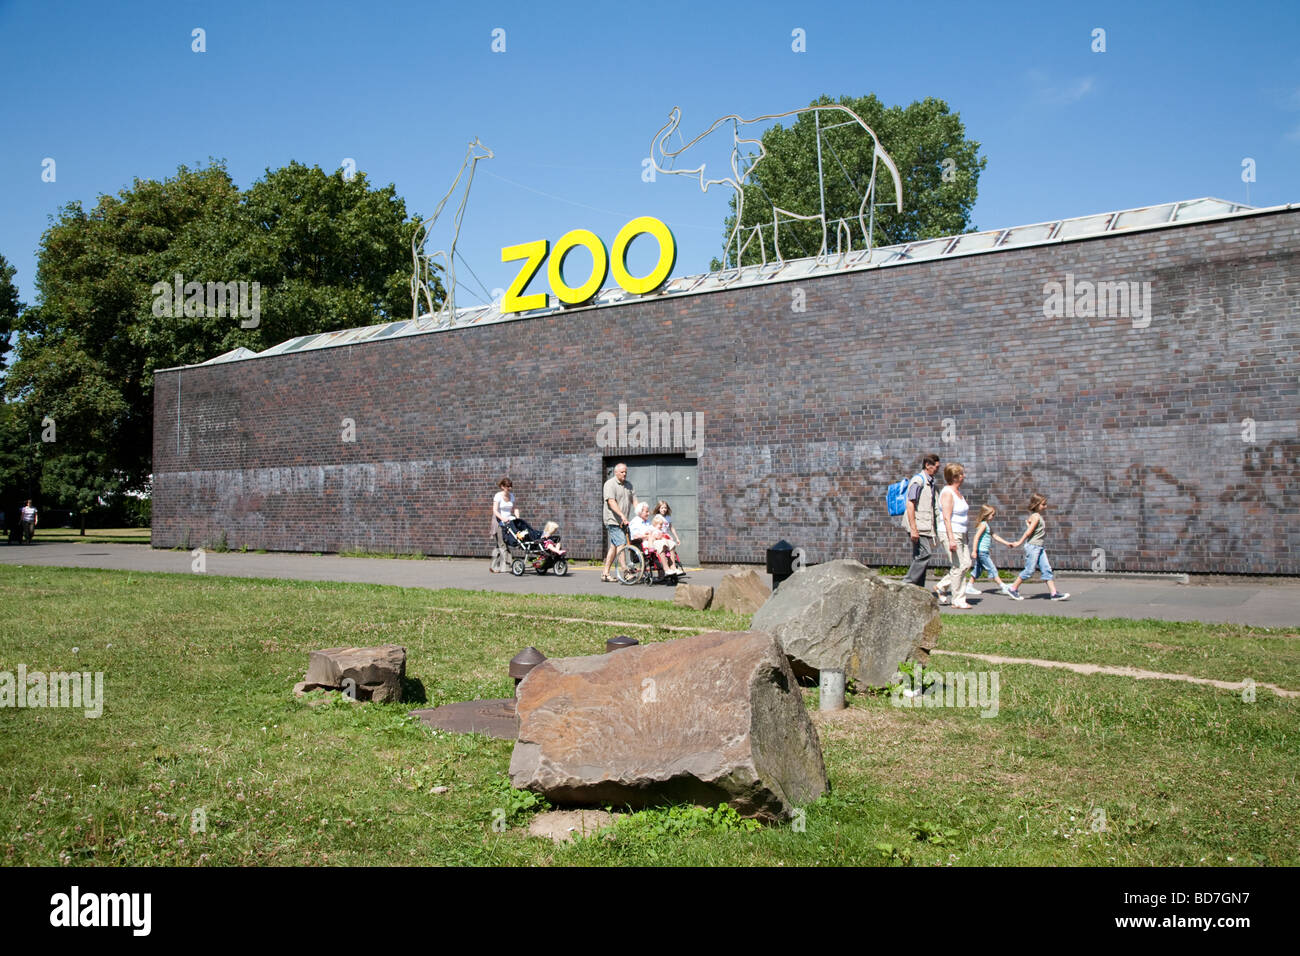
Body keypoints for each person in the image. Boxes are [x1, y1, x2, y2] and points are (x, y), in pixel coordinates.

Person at [1002, 493, 1069, 601]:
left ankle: (1054, 593)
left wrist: (1029, 525)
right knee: (1029, 571)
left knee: (1047, 570)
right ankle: (1013, 589)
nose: (1045, 506)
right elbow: (1028, 532)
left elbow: (1029, 524)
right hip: (1033, 547)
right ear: (1037, 504)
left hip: (1039, 547)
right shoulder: (1036, 517)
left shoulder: (1035, 516)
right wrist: (1019, 542)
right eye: (1043, 504)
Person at [933, 464, 972, 609]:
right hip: (951, 532)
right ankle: (958, 599)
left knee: (966, 564)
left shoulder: (958, 492)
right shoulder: (947, 493)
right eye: (961, 474)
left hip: (961, 533)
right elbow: (946, 517)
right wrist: (951, 539)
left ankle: (942, 586)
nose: (964, 476)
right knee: (958, 566)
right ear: (954, 477)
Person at [903, 455, 941, 590]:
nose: (937, 470)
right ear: (927, 465)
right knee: (925, 553)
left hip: (924, 525)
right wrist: (913, 529)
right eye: (936, 467)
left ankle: (918, 589)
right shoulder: (918, 481)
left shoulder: (930, 483)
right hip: (918, 526)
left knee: (919, 557)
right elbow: (910, 504)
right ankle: (906, 584)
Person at [601, 463, 637, 582]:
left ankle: (605, 574)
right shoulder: (609, 484)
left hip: (623, 521)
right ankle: (626, 571)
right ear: (616, 472)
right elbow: (611, 502)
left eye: (626, 472)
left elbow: (635, 501)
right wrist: (621, 515)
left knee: (613, 546)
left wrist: (641, 514)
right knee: (621, 543)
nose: (624, 474)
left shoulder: (629, 485)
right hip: (613, 520)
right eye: (622, 472)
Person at [969, 505, 1014, 596]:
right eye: (992, 515)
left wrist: (1007, 543)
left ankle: (969, 586)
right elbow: (976, 537)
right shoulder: (983, 525)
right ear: (986, 514)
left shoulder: (987, 525)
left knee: (978, 569)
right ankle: (1003, 586)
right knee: (992, 568)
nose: (993, 517)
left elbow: (995, 536)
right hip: (982, 552)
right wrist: (974, 551)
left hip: (982, 551)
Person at [489, 478, 518, 572]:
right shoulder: (498, 496)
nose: (509, 488)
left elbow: (515, 508)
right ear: (502, 487)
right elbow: (495, 510)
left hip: (509, 522)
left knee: (502, 545)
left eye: (510, 486)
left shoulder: (512, 496)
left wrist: (517, 517)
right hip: (499, 522)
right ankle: (504, 566)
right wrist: (502, 518)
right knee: (502, 544)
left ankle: (494, 566)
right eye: (507, 486)